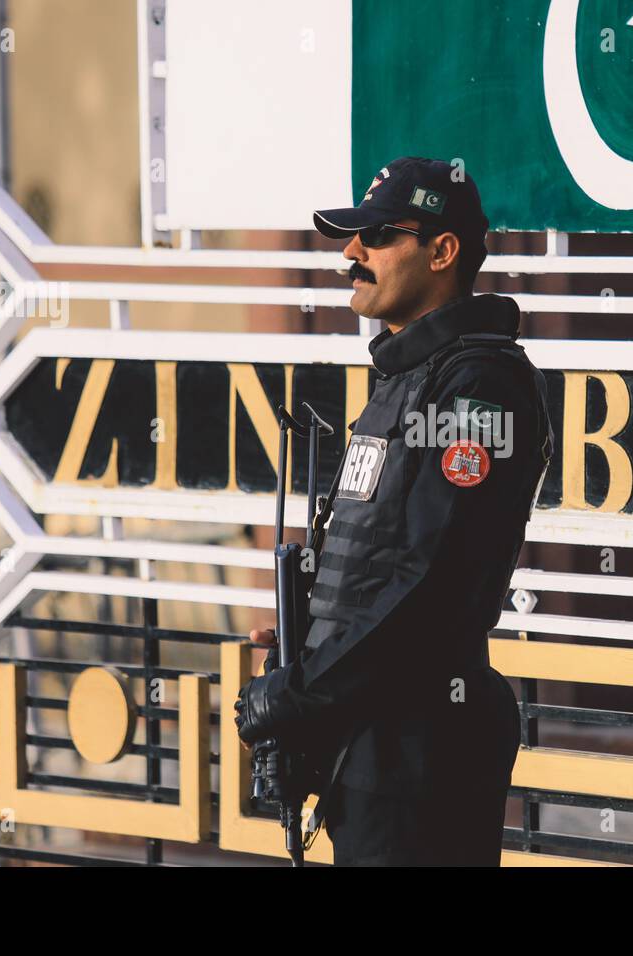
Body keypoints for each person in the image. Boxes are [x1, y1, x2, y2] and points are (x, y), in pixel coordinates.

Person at [234, 156, 554, 866]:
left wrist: (300, 691)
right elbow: (378, 561)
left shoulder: (479, 387)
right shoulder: (409, 376)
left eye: (376, 235)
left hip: (422, 751)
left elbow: (432, 579)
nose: (352, 253)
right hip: (371, 744)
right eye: (354, 238)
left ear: (443, 251)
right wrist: (308, 642)